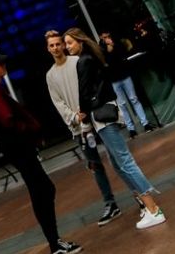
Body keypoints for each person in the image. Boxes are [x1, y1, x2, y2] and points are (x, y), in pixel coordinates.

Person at [62, 28, 166, 230]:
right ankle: (147, 206)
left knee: (125, 161)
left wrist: (82, 112)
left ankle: (153, 209)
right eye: (66, 44)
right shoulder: (91, 57)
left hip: (101, 116)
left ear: (80, 42)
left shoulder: (84, 61)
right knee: (118, 164)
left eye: (69, 43)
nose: (67, 47)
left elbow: (84, 92)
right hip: (103, 114)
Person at [0, 52, 82, 254]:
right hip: (20, 149)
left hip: (19, 150)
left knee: (42, 190)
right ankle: (55, 244)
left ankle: (55, 241)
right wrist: (29, 130)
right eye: (0, 63)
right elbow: (8, 119)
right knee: (42, 190)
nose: (4, 65)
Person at [44, 30, 121, 226]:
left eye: (58, 44)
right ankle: (110, 203)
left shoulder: (76, 61)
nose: (55, 48)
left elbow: (89, 86)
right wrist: (74, 117)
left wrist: (85, 109)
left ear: (63, 44)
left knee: (117, 157)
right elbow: (57, 102)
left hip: (95, 118)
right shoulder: (50, 75)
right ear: (48, 49)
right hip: (79, 128)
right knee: (95, 166)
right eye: (51, 45)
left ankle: (138, 194)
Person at [132, 17, 175, 116]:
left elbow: (140, 49)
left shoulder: (148, 39)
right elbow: (174, 34)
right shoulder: (162, 32)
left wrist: (140, 36)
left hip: (169, 64)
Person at [99, 30, 154, 138]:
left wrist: (114, 47)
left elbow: (123, 55)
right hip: (114, 80)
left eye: (108, 36)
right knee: (122, 104)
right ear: (101, 37)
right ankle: (131, 128)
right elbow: (105, 63)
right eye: (104, 37)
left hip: (125, 75)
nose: (107, 39)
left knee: (134, 99)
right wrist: (108, 51)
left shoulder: (117, 42)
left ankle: (145, 123)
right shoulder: (101, 48)